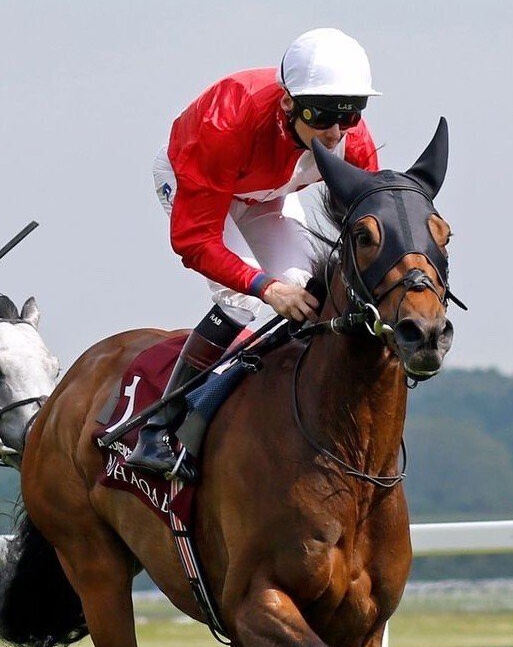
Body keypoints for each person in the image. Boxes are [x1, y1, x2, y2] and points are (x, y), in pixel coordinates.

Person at [128, 28, 382, 477]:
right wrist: (264, 286)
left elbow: (369, 228)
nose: (337, 132)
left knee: (307, 290)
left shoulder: (350, 140)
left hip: (266, 196)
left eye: (351, 115)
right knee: (245, 300)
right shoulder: (226, 121)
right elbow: (194, 241)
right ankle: (159, 430)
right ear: (288, 103)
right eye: (324, 117)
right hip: (199, 185)